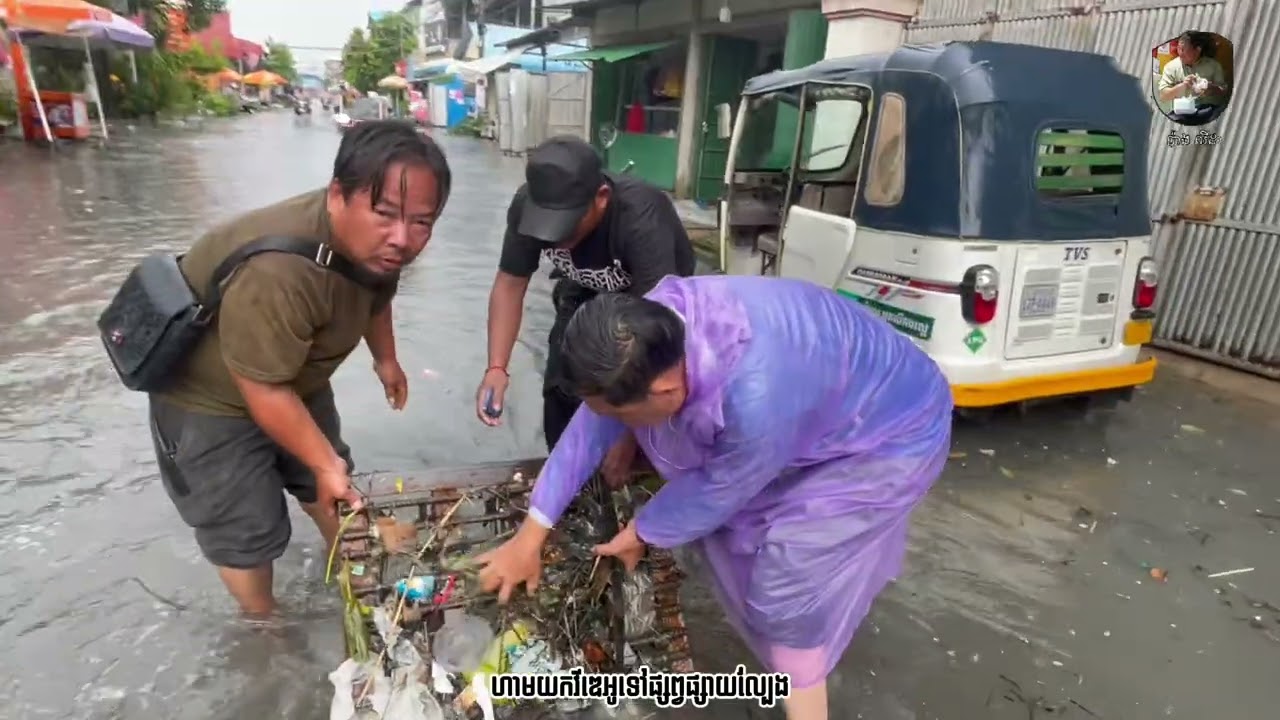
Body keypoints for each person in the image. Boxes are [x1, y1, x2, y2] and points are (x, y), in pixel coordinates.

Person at [476, 275, 954, 720]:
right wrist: (530, 535)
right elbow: (591, 426)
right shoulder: (644, 331)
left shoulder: (756, 398)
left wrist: (641, 530)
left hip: (889, 433)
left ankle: (807, 693)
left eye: (619, 414)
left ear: (666, 389)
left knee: (787, 582)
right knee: (734, 538)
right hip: (818, 396)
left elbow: (720, 488)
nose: (610, 422)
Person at [147, 120, 451, 619]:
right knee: (246, 528)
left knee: (329, 485)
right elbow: (263, 388)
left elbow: (377, 294)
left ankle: (360, 576)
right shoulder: (279, 270)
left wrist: (386, 359)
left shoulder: (375, 248)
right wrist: (325, 462)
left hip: (294, 372)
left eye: (422, 221)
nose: (403, 238)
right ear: (338, 195)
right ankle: (265, 626)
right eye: (385, 215)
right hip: (209, 399)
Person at [475, 135, 696, 476]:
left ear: (601, 198)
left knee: (632, 400)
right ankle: (566, 482)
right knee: (564, 390)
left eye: (565, 226)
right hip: (582, 293)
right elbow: (510, 282)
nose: (555, 239)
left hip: (655, 304)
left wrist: (630, 438)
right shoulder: (526, 206)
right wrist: (496, 368)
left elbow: (659, 333)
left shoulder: (640, 216)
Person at [1158, 31, 1230, 123]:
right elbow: (1163, 96)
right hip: (1181, 113)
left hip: (1207, 110)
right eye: (1179, 49)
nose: (1180, 53)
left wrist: (1211, 88)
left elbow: (1223, 91)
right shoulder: (1171, 67)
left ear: (1197, 50)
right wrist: (1182, 86)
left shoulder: (1213, 65)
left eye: (1184, 49)